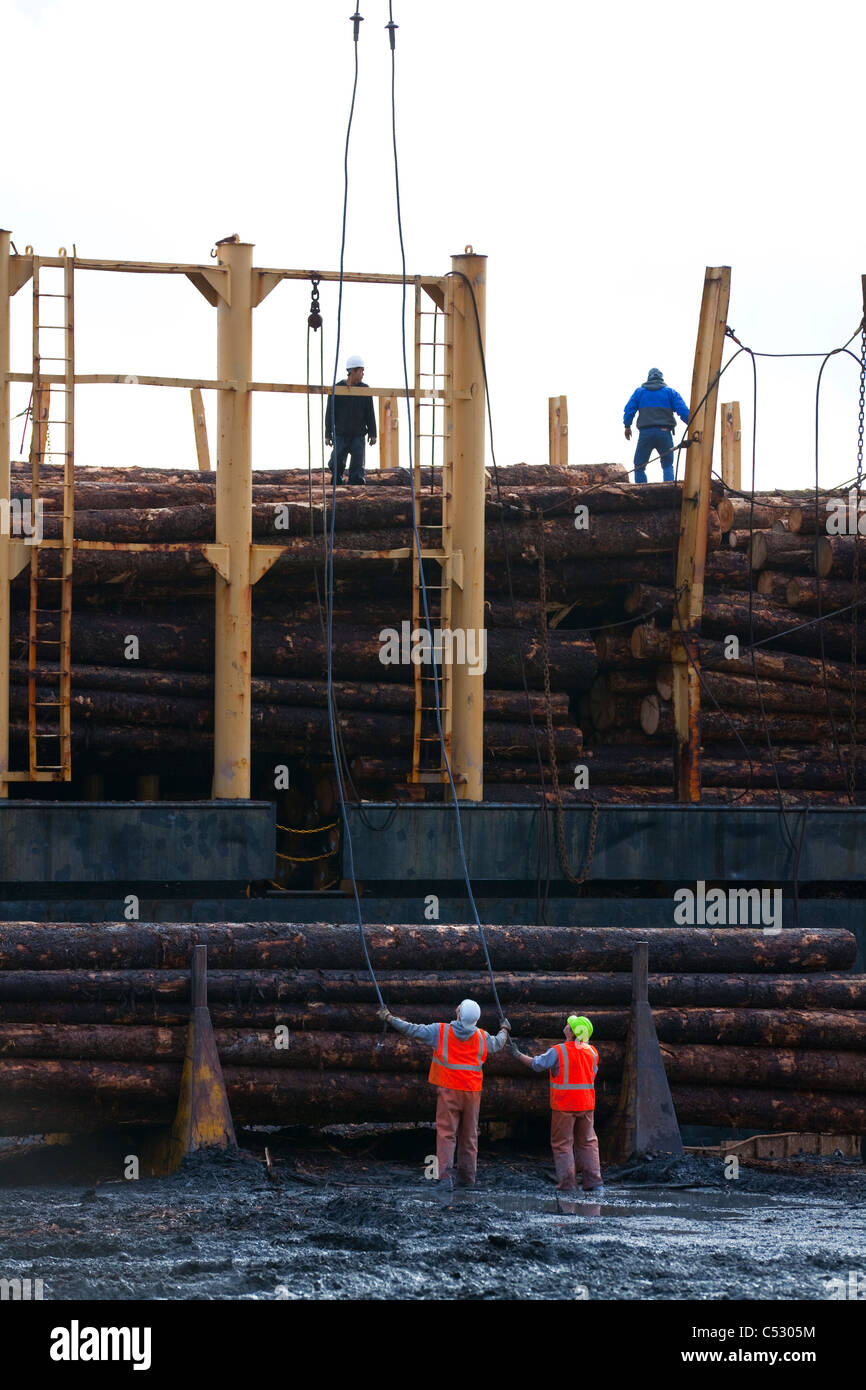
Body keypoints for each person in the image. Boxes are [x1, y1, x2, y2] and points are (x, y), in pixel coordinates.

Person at [377, 999, 511, 1187]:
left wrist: (390, 1018)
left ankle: (445, 1178)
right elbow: (497, 1044)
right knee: (470, 1136)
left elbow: (412, 1029)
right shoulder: (482, 1037)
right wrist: (504, 1029)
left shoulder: (440, 1031)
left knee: (446, 1134)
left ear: (459, 1014)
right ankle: (467, 1179)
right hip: (472, 1093)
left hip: (449, 1090)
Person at [510, 1013, 604, 1195]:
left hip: (564, 1105)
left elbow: (537, 1065)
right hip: (586, 1105)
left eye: (569, 1025)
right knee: (588, 1143)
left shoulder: (559, 1051)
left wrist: (517, 1055)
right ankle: (594, 1183)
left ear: (572, 1032)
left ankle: (567, 1185)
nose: (566, 1026)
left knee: (563, 1144)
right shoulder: (592, 1052)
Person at [622, 367, 689, 483]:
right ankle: (669, 491)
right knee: (667, 465)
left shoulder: (640, 392)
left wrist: (627, 426)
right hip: (664, 432)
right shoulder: (670, 392)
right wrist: (692, 424)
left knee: (639, 466)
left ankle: (641, 493)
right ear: (661, 378)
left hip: (645, 434)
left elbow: (629, 410)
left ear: (648, 378)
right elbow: (683, 411)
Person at [325, 354, 377, 484]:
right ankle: (337, 481)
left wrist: (373, 433)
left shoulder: (365, 389)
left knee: (357, 468)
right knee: (336, 464)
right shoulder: (337, 388)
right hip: (341, 434)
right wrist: (328, 434)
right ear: (352, 371)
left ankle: (356, 489)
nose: (363, 374)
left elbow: (370, 412)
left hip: (358, 435)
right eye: (361, 371)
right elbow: (330, 413)